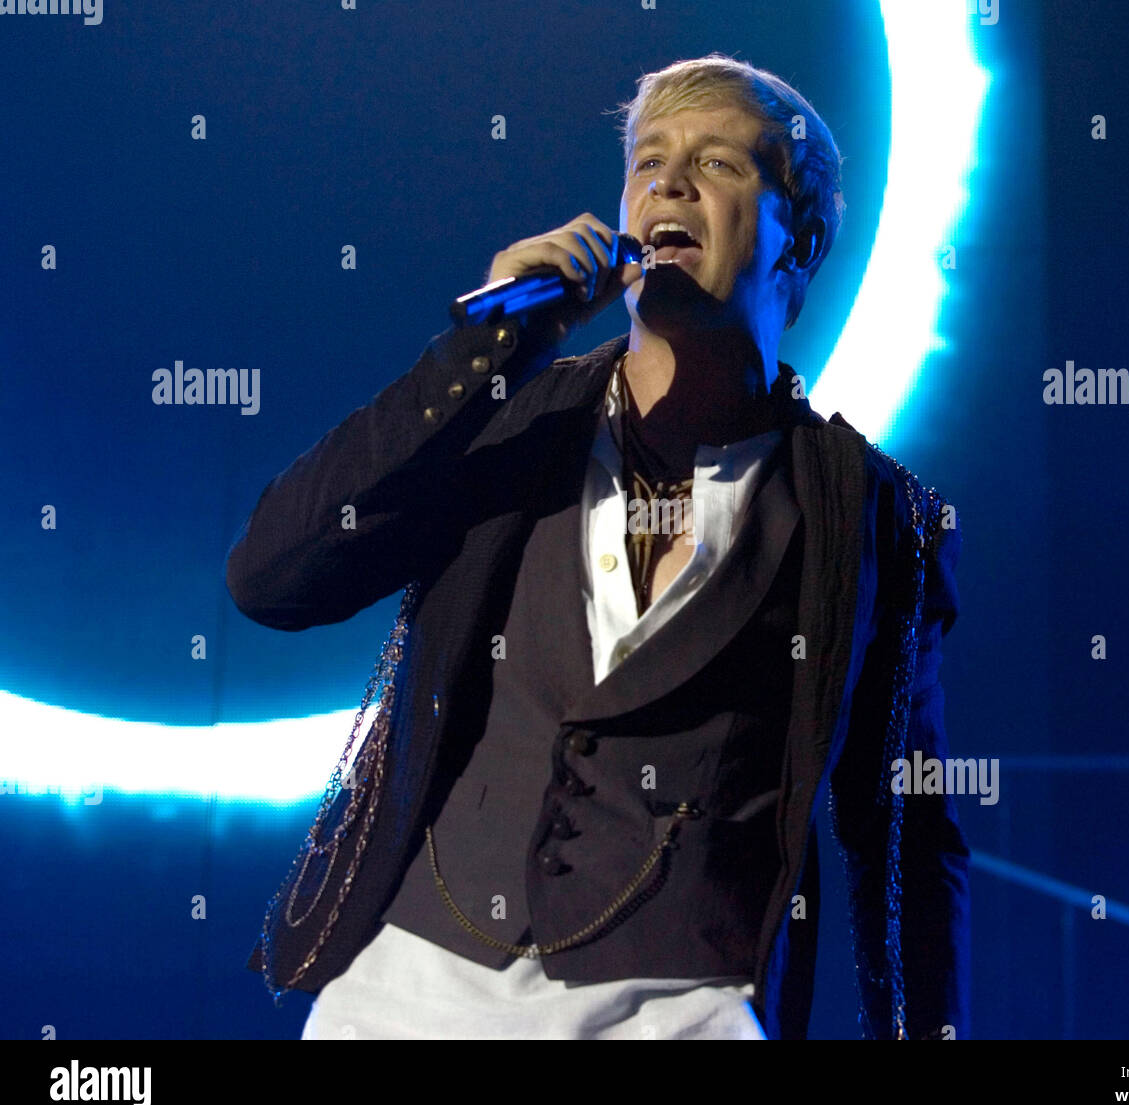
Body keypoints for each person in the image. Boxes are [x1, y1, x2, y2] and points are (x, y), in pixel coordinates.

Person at [227, 52, 969, 1041]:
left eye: (717, 164)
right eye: (649, 162)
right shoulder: (506, 416)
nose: (670, 180)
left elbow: (908, 840)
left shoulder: (870, 516)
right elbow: (272, 577)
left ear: (802, 241)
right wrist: (481, 352)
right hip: (411, 991)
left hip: (678, 1010)